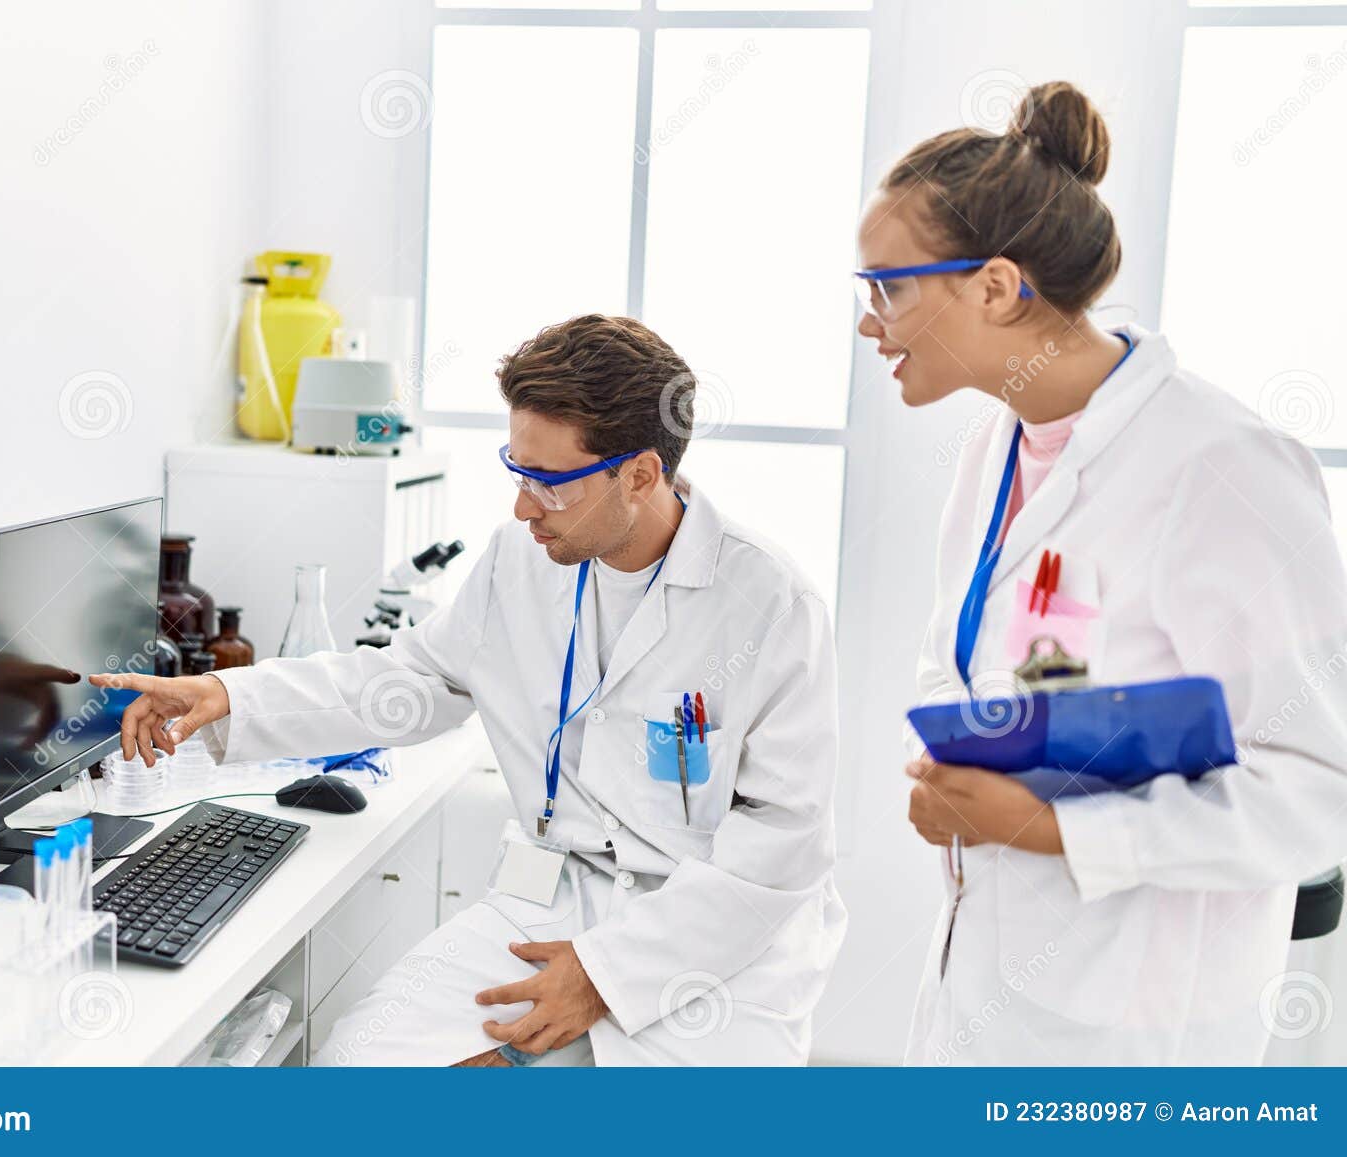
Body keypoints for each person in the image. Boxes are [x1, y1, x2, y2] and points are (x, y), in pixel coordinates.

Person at [91, 314, 845, 1066]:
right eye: (515, 471)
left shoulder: (772, 604)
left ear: (641, 474)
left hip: (713, 948)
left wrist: (608, 976)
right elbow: (412, 675)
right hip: (555, 891)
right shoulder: (519, 561)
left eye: (549, 483)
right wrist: (232, 695)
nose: (522, 507)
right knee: (359, 1065)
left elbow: (783, 843)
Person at [852, 80, 1347, 1064]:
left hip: (1137, 1039)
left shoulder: (1220, 467)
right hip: (986, 997)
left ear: (994, 286)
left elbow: (1318, 794)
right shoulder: (996, 447)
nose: (870, 323)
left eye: (889, 287)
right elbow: (985, 668)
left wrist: (1047, 827)